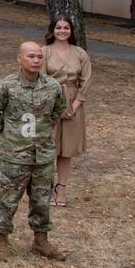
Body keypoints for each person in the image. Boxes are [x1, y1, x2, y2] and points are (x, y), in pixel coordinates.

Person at [0, 42, 67, 262]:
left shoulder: (53, 87)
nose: (36, 60)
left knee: (41, 199)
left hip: (43, 155)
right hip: (14, 155)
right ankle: (1, 240)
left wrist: (44, 131)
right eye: (31, 56)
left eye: (39, 57)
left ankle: (41, 240)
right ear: (19, 58)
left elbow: (59, 109)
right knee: (7, 198)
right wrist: (6, 131)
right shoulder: (6, 86)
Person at [44, 17, 92, 207]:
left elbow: (86, 80)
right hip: (50, 102)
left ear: (71, 31)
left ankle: (61, 189)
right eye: (58, 27)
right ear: (52, 30)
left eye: (66, 27)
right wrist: (56, 106)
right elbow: (40, 79)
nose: (62, 31)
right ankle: (45, 189)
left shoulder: (80, 53)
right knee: (48, 149)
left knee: (66, 150)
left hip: (74, 102)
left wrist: (74, 105)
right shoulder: (44, 52)